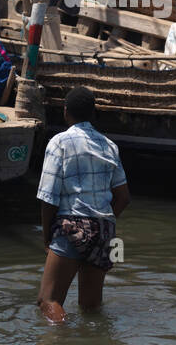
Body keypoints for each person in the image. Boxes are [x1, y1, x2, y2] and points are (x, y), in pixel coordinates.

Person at [36, 87, 130, 322]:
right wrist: (103, 224)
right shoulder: (109, 145)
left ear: (65, 112)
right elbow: (123, 197)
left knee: (48, 301)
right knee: (91, 308)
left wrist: (48, 236)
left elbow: (48, 197)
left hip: (71, 225)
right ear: (93, 113)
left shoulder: (59, 142)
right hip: (105, 230)